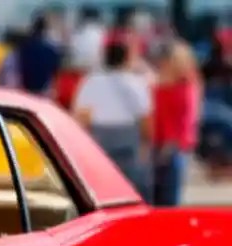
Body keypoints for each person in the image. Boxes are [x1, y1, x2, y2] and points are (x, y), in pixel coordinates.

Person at [72, 41, 153, 199]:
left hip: (100, 135)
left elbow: (82, 115)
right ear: (126, 58)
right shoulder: (135, 82)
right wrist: (146, 143)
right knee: (130, 186)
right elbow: (145, 117)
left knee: (101, 186)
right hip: (127, 136)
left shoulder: (91, 81)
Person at [152, 41, 202, 206]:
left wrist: (170, 144)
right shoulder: (159, 84)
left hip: (175, 147)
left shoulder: (186, 86)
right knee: (157, 197)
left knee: (169, 199)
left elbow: (185, 120)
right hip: (157, 144)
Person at [18, 14, 62, 97]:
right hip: (42, 91)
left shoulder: (24, 47)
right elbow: (55, 73)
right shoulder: (51, 51)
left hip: (25, 89)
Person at [69, 6, 106, 71]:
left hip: (79, 70)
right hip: (97, 69)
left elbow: (72, 53)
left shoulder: (76, 34)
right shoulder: (102, 32)